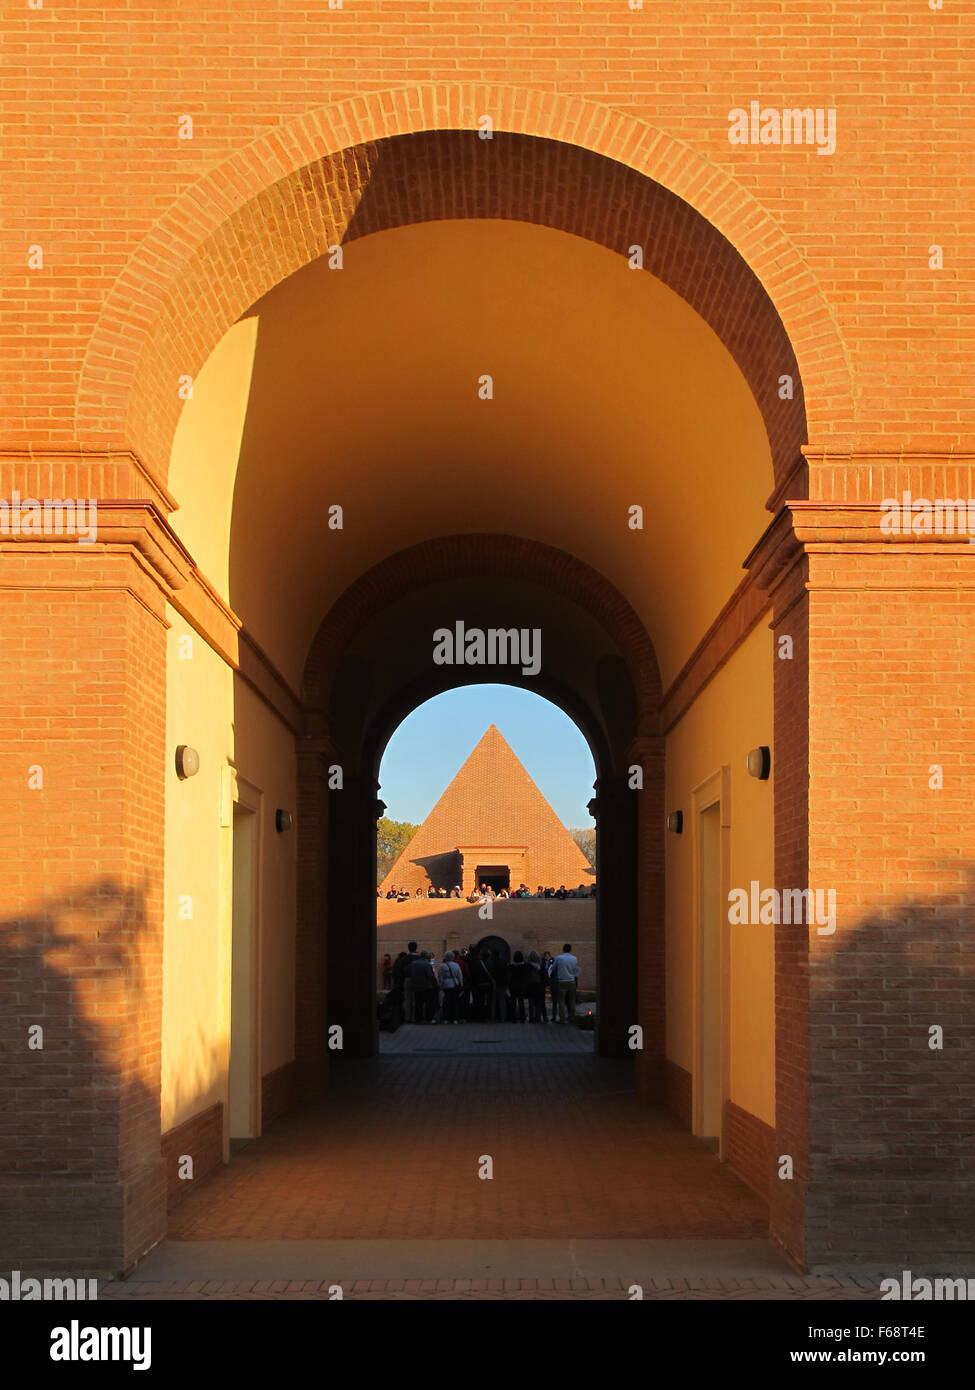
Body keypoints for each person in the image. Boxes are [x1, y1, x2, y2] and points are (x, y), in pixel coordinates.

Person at [553, 943, 580, 1024]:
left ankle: (562, 1019)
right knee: (572, 1001)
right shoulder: (574, 958)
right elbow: (575, 969)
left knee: (561, 1001)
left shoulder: (559, 958)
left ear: (563, 949)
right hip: (571, 981)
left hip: (562, 982)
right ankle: (572, 1018)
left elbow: (553, 968)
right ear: (570, 949)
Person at [393, 940, 420, 1022]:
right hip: (417, 980)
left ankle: (407, 1018)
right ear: (416, 948)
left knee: (408, 999)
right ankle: (415, 1018)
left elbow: (398, 970)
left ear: (408, 948)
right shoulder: (419, 958)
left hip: (407, 979)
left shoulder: (404, 959)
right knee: (416, 1000)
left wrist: (400, 981)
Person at [410, 950, 437, 1023]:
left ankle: (418, 1019)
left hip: (415, 986)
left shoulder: (413, 963)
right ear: (426, 956)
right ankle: (428, 1019)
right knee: (427, 1003)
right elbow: (430, 976)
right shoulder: (427, 964)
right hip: (426, 986)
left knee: (418, 1003)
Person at [438, 950, 463, 1023]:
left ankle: (446, 1018)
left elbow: (440, 977)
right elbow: (460, 976)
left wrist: (441, 985)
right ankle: (455, 1018)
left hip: (446, 985)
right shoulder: (456, 965)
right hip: (455, 985)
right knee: (455, 1003)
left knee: (446, 1002)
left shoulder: (442, 966)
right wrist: (461, 984)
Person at [471, 950, 494, 1021]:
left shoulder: (477, 964)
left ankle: (480, 1017)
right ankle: (488, 1016)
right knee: (489, 1001)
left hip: (480, 984)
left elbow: (474, 974)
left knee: (480, 1001)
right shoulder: (491, 963)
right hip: (488, 985)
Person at [509, 950, 528, 1022]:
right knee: (521, 1002)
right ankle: (522, 1018)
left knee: (513, 1002)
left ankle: (513, 1018)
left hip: (513, 985)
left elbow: (509, 976)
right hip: (521, 985)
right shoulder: (524, 966)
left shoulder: (511, 966)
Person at [527, 950, 545, 1022]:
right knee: (538, 1003)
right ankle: (538, 1018)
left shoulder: (527, 965)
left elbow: (526, 976)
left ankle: (531, 1018)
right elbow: (544, 976)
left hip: (530, 986)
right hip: (539, 986)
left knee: (531, 1003)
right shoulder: (541, 965)